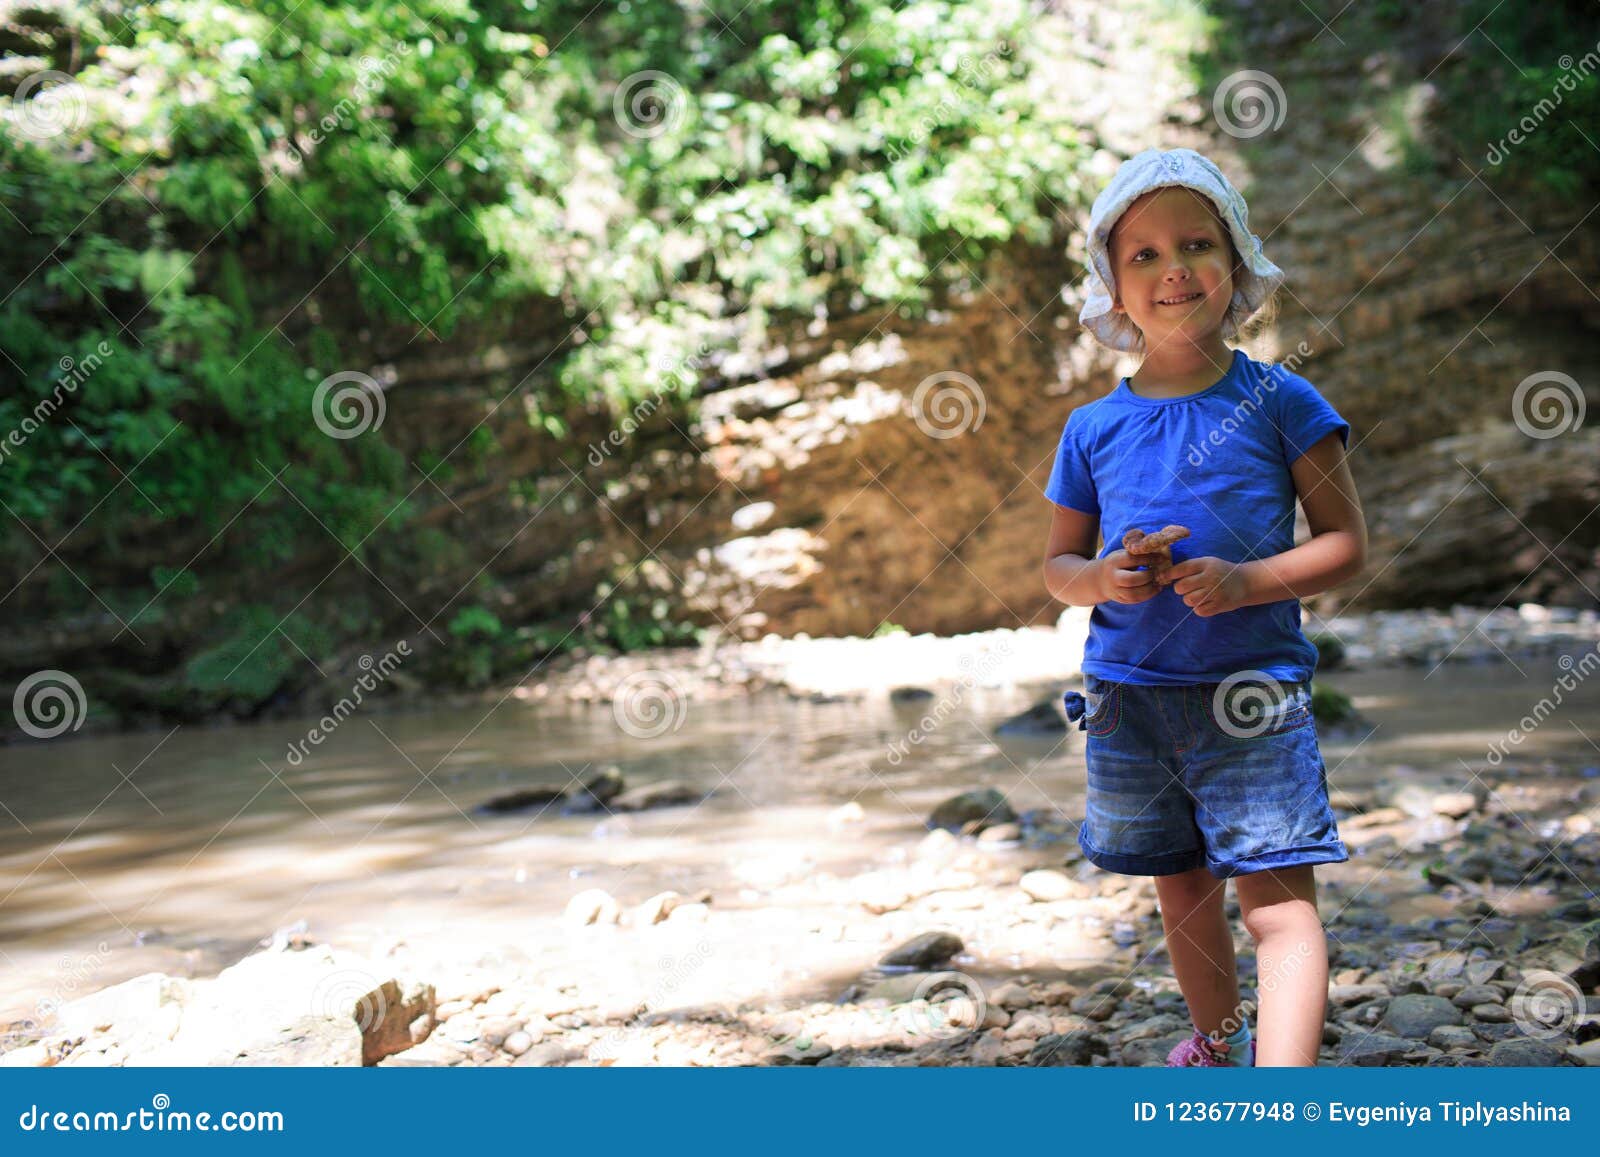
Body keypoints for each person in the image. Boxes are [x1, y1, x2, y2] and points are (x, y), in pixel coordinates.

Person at [1041, 147, 1368, 1067]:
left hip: (1251, 692)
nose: (1173, 268)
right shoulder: (1092, 427)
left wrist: (1245, 582)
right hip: (1129, 697)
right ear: (1112, 288)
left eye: (1196, 245)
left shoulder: (1281, 400)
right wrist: (1107, 576)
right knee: (1180, 891)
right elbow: (1059, 567)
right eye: (1143, 255)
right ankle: (1220, 1047)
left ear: (1236, 264)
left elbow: (1347, 544)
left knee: (1278, 905)